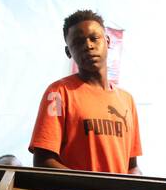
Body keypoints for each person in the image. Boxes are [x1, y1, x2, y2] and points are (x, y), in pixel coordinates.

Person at [29, 10, 142, 175]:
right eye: (78, 42)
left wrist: (134, 187)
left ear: (108, 41)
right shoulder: (58, 93)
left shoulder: (127, 100)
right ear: (68, 52)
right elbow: (43, 162)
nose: (88, 46)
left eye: (94, 38)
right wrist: (93, 187)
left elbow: (132, 165)